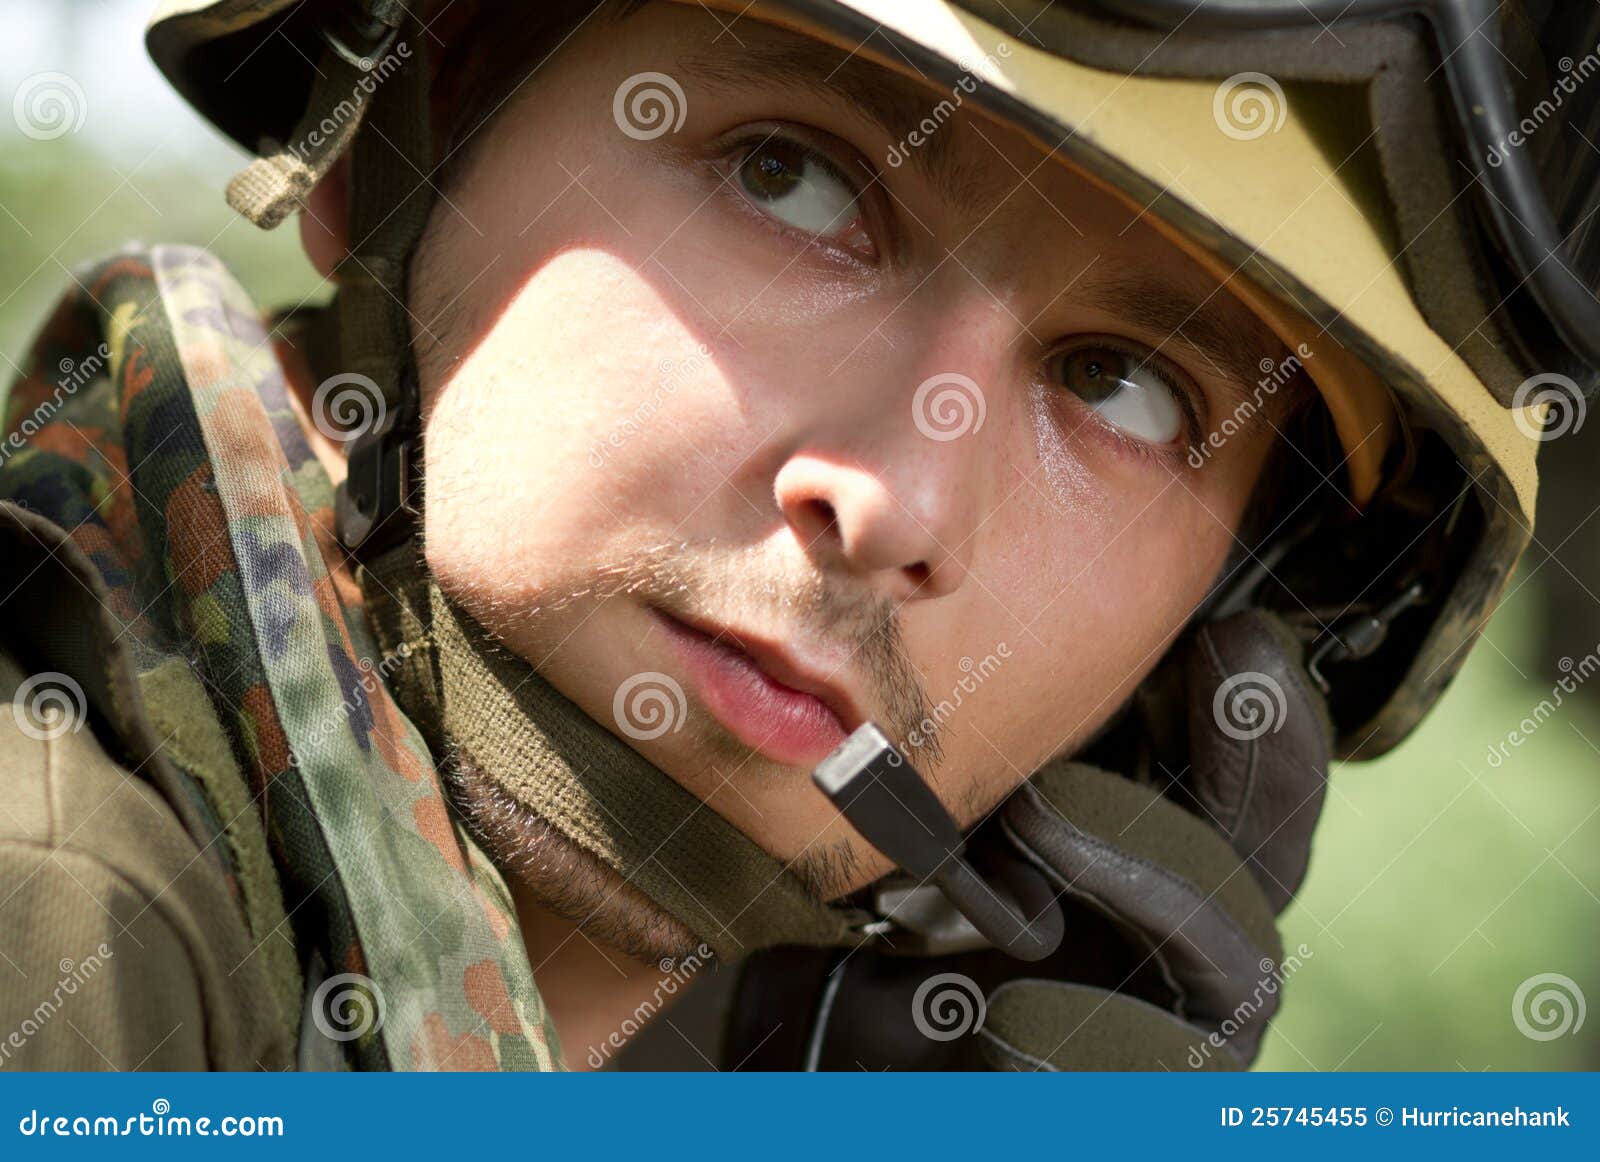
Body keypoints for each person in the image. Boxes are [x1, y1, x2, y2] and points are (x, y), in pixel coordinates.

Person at [0, 0, 1568, 1071]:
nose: (898, 500)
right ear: (412, 113)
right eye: (792, 178)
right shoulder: (54, 925)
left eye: (1128, 389)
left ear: (1231, 624)